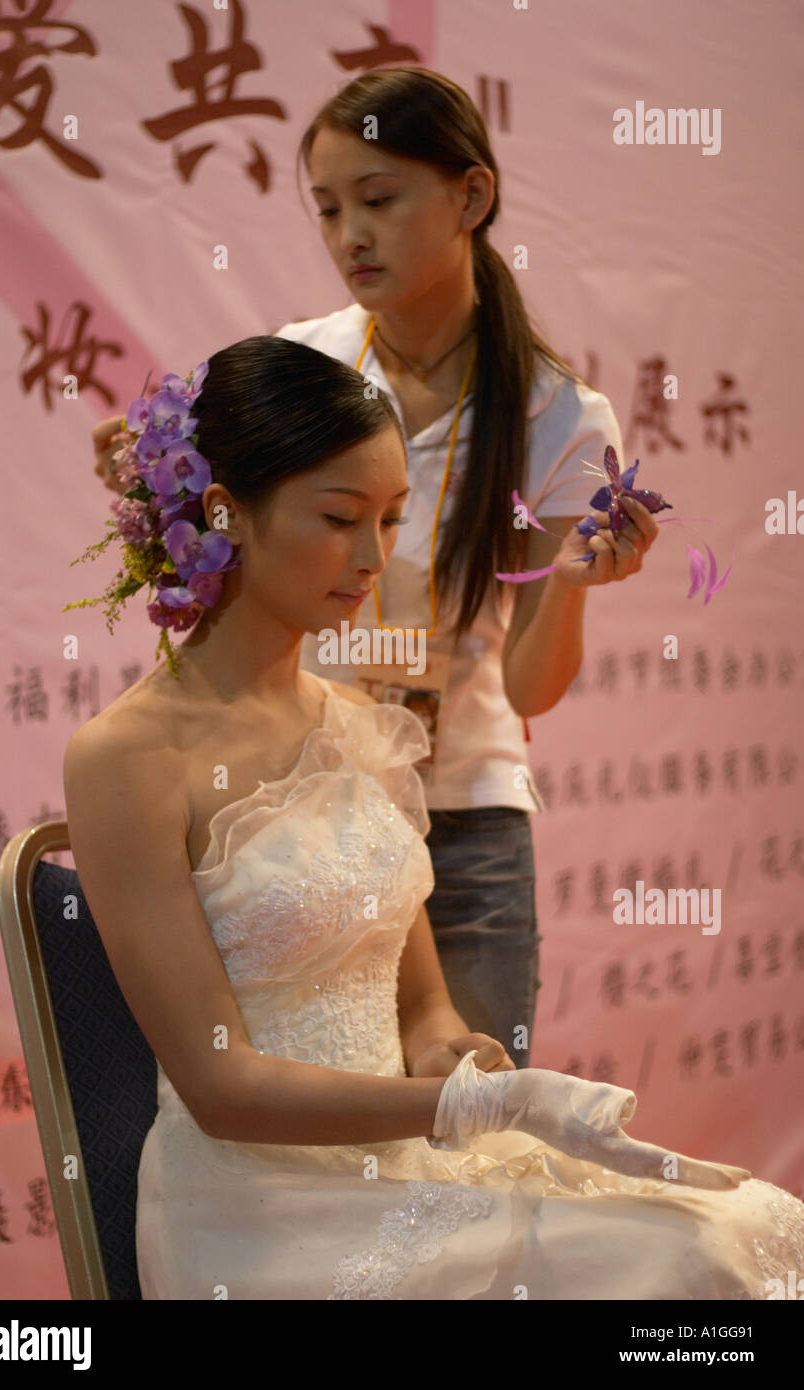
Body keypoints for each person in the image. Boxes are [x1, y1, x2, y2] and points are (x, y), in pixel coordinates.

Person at [66, 337, 804, 1301]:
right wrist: (482, 1104)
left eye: (391, 521)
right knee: (682, 1265)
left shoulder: (358, 721)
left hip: (412, 1159)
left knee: (747, 1229)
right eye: (340, 519)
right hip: (263, 1217)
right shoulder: (127, 757)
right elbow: (223, 1089)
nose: (374, 559)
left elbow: (421, 1008)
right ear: (223, 511)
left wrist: (455, 1054)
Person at [91, 67, 658, 1067]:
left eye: (380, 200)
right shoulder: (303, 366)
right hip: (301, 801)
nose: (351, 234)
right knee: (302, 1094)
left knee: (468, 1127)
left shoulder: (558, 413)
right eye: (328, 207)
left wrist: (567, 584)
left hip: (465, 817)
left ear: (471, 196)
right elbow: (220, 560)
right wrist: (150, 478)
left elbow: (531, 684)